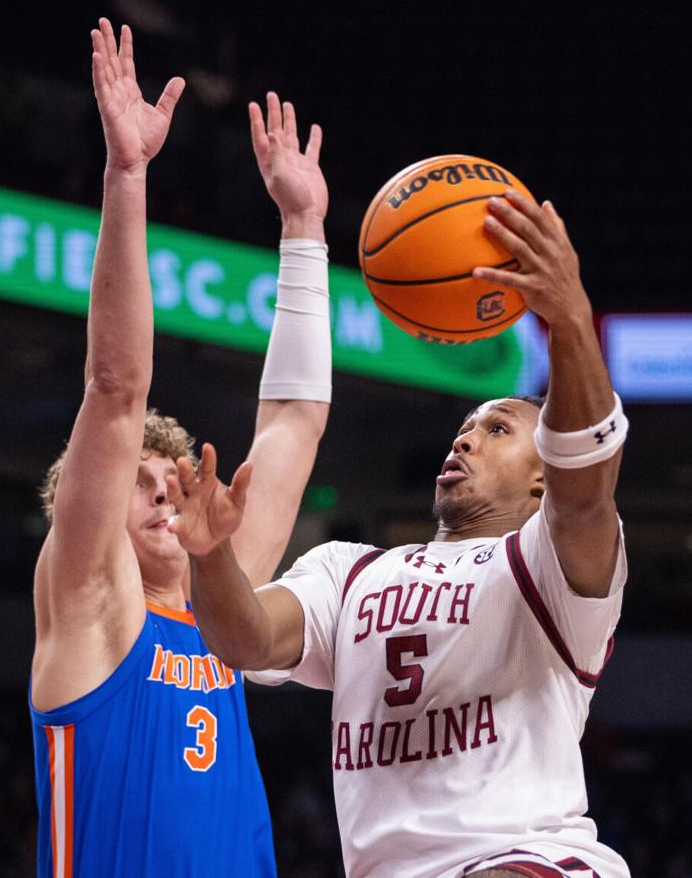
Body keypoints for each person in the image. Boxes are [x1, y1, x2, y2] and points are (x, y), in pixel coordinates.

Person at [168, 192, 631, 878]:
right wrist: (208, 559)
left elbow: (586, 487)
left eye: (497, 429)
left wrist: (568, 319)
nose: (467, 439)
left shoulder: (547, 566)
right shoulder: (344, 572)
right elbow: (244, 642)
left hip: (530, 859)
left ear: (541, 479)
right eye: (464, 428)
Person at [29, 19, 331, 877]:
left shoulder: (219, 609)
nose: (167, 496)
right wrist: (127, 175)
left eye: (173, 482)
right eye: (144, 484)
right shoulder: (91, 602)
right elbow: (116, 390)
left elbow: (293, 423)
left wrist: (303, 228)